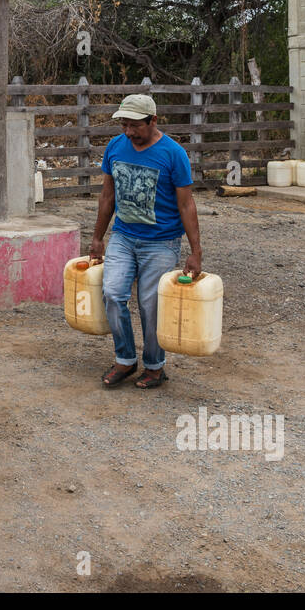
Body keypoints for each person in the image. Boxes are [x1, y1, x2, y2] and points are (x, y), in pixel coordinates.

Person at [89, 93, 203, 389]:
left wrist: (196, 251)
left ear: (153, 121)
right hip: (123, 237)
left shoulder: (173, 154)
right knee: (113, 293)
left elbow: (186, 205)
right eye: (124, 125)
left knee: (151, 305)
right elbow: (107, 197)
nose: (128, 132)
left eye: (134, 126)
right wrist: (97, 237)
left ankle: (154, 366)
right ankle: (125, 359)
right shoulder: (115, 148)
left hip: (162, 242)